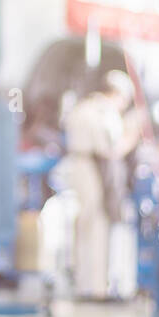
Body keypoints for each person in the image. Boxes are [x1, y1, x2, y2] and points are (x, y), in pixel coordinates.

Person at [59, 70, 142, 300]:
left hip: (79, 167)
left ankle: (84, 285)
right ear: (116, 94)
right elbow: (111, 150)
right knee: (97, 226)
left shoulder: (83, 107)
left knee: (84, 226)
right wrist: (132, 136)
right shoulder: (104, 112)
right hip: (93, 169)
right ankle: (96, 289)